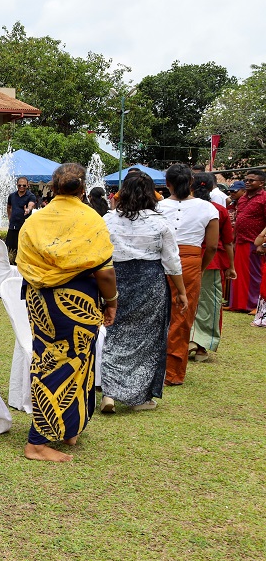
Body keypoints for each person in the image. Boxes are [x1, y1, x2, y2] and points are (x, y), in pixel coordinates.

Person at [16, 163, 117, 462]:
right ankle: (36, 444)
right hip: (78, 301)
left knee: (62, 360)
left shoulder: (36, 220)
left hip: (41, 300)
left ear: (53, 187)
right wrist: (111, 302)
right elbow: (106, 273)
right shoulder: (92, 220)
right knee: (67, 363)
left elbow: (23, 261)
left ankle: (68, 429)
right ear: (83, 189)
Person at [100, 171, 185, 414]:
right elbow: (172, 261)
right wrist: (181, 292)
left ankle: (109, 393)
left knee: (113, 333)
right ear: (152, 193)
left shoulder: (108, 220)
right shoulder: (160, 222)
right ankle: (139, 399)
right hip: (150, 281)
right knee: (147, 339)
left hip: (116, 281)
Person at [158, 165, 219, 386]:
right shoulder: (208, 208)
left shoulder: (158, 206)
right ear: (191, 182)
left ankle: (153, 369)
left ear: (167, 184)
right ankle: (173, 373)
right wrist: (200, 268)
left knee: (159, 315)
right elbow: (211, 246)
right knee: (182, 318)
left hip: (160, 261)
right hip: (191, 261)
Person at [190, 173, 235, 360]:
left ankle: (184, 341)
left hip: (184, 260)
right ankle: (201, 346)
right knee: (209, 304)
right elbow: (227, 242)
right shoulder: (219, 210)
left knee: (183, 301)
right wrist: (231, 266)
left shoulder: (183, 207)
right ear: (212, 188)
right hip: (211, 262)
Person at [229, 170, 266, 312]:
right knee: (239, 274)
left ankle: (254, 305)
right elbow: (239, 219)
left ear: (261, 183)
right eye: (246, 180)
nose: (248, 182)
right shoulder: (243, 197)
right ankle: (238, 304)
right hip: (240, 241)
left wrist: (263, 243)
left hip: (255, 242)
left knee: (254, 275)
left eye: (252, 180)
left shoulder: (264, 198)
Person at [5, 178, 38, 261]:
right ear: (17, 185)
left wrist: (28, 209)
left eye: (24, 185)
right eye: (19, 185)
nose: (21, 187)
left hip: (24, 227)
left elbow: (31, 204)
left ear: (27, 185)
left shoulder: (31, 196)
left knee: (23, 249)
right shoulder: (12, 196)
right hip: (13, 226)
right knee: (9, 249)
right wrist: (9, 217)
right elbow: (9, 207)